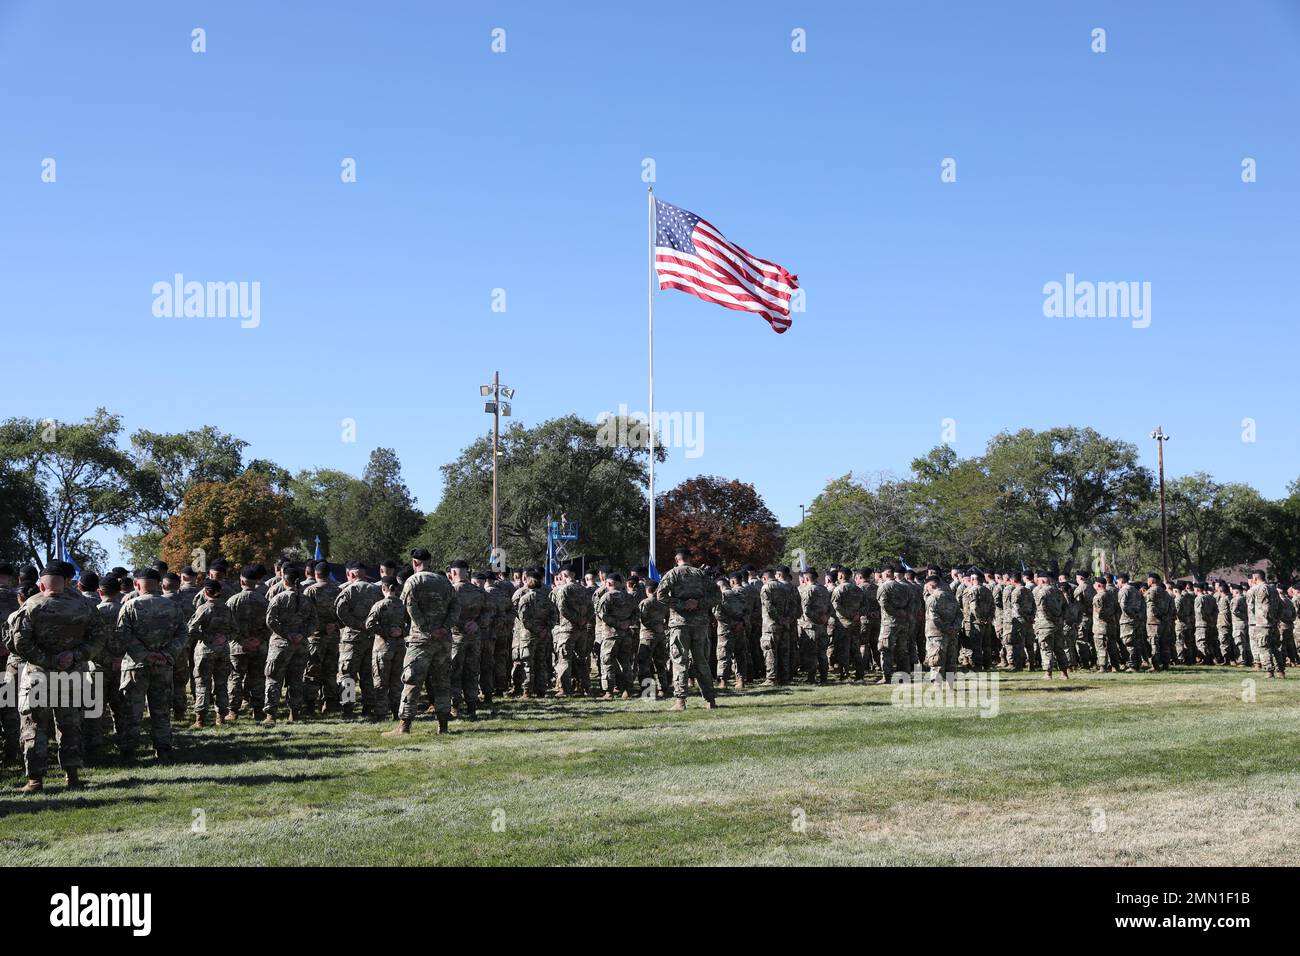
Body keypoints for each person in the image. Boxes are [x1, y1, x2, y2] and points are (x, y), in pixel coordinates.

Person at [10, 561, 105, 792]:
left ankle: (35, 780)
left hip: (38, 676)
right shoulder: (83, 605)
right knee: (70, 726)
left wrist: (49, 660)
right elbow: (99, 637)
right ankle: (72, 777)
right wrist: (74, 656)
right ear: (65, 582)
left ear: (41, 585)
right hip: (70, 676)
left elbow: (19, 642)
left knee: (34, 727)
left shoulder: (32, 605)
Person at [115, 567, 186, 763]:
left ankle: (129, 752)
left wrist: (144, 655)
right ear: (159, 584)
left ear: (137, 584)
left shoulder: (129, 606)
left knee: (132, 711)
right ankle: (163, 749)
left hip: (135, 668)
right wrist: (165, 653)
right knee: (161, 710)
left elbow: (123, 635)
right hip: (162, 666)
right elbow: (182, 634)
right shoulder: (172, 606)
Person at [386, 548, 459, 735]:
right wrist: (444, 628)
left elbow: (410, 608)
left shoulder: (413, 581)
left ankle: (404, 726)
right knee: (442, 682)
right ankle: (443, 726)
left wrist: (429, 629)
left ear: (414, 563)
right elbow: (455, 607)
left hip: (421, 640)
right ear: (430, 561)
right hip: (443, 640)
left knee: (412, 681)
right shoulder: (444, 581)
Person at [656, 547, 721, 711]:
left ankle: (680, 701)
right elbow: (717, 596)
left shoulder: (672, 574)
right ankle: (710, 700)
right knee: (702, 662)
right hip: (700, 624)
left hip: (680, 624)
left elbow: (660, 595)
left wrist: (681, 605)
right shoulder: (701, 574)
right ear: (690, 558)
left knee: (679, 662)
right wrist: (698, 604)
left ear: (676, 559)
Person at [264, 565, 317, 724]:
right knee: (296, 679)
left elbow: (270, 620)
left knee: (273, 678)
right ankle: (294, 713)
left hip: (280, 644)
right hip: (300, 645)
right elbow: (314, 622)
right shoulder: (307, 600)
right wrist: (302, 634)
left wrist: (287, 634)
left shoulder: (278, 598)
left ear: (284, 580)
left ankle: (271, 715)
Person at [226, 564, 270, 721]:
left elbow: (227, 625)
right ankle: (258, 710)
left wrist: (242, 641)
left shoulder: (232, 601)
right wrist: (259, 639)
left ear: (242, 582)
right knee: (258, 678)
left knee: (235, 678)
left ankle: (233, 711)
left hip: (238, 648)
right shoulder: (265, 601)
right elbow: (270, 624)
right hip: (259, 647)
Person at [188, 578, 234, 727]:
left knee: (202, 684)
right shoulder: (227, 609)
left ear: (206, 592)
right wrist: (224, 638)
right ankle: (221, 718)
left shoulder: (203, 608)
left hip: (206, 651)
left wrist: (208, 637)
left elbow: (191, 629)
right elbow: (236, 630)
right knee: (221, 684)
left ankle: (200, 720)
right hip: (224, 651)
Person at [366, 576, 408, 721]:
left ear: (383, 588)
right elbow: (413, 625)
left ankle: (381, 713)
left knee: (381, 682)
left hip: (382, 648)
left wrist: (386, 631)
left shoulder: (379, 605)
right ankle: (397, 712)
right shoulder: (404, 605)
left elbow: (369, 625)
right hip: (400, 647)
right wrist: (401, 632)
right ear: (396, 588)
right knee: (397, 681)